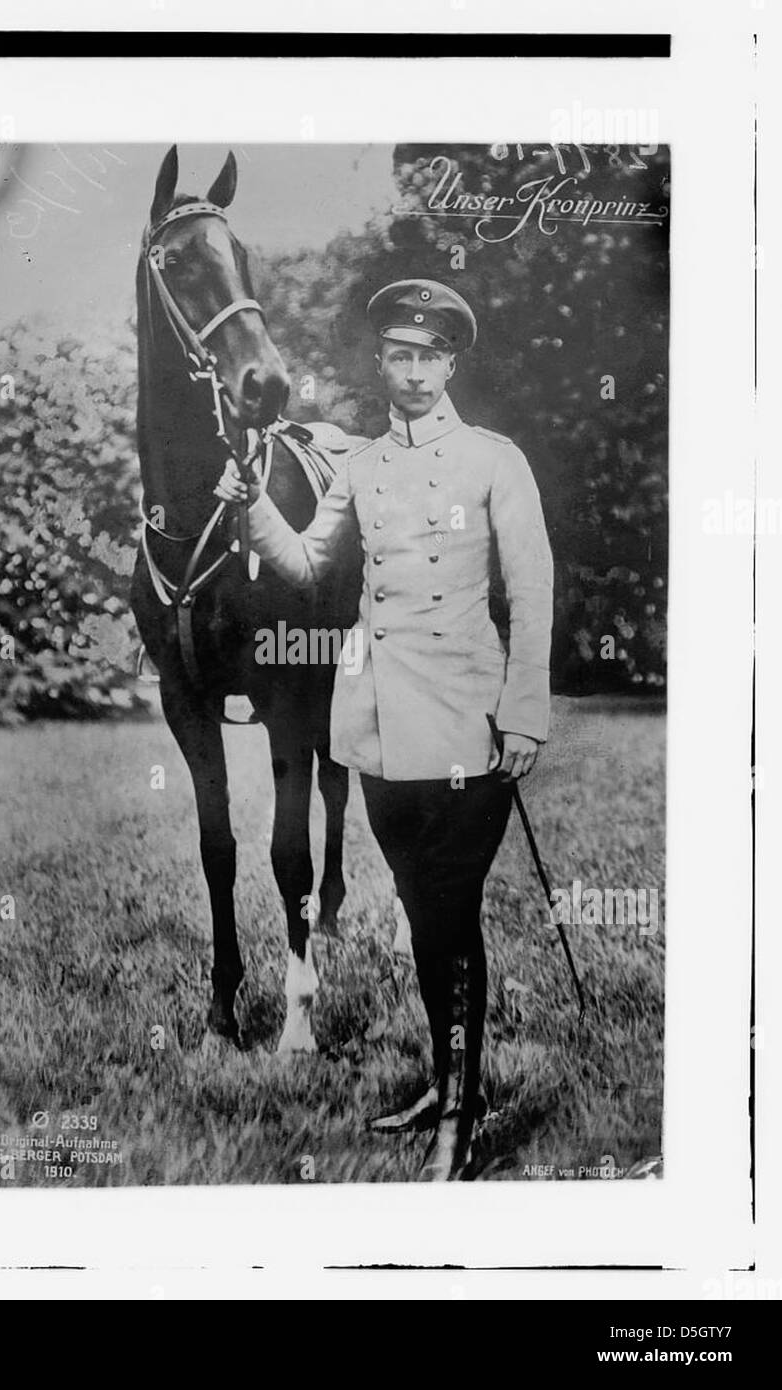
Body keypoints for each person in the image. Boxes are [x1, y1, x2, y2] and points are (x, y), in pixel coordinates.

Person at [215, 279, 554, 1180]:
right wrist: (250, 499)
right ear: (383, 363)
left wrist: (524, 711)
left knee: (451, 908)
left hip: (467, 716)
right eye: (397, 356)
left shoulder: (495, 460)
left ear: (451, 363)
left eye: (428, 356)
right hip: (376, 721)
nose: (412, 371)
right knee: (414, 900)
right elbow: (300, 563)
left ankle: (460, 1112)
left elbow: (531, 591)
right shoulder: (361, 467)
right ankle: (452, 1086)